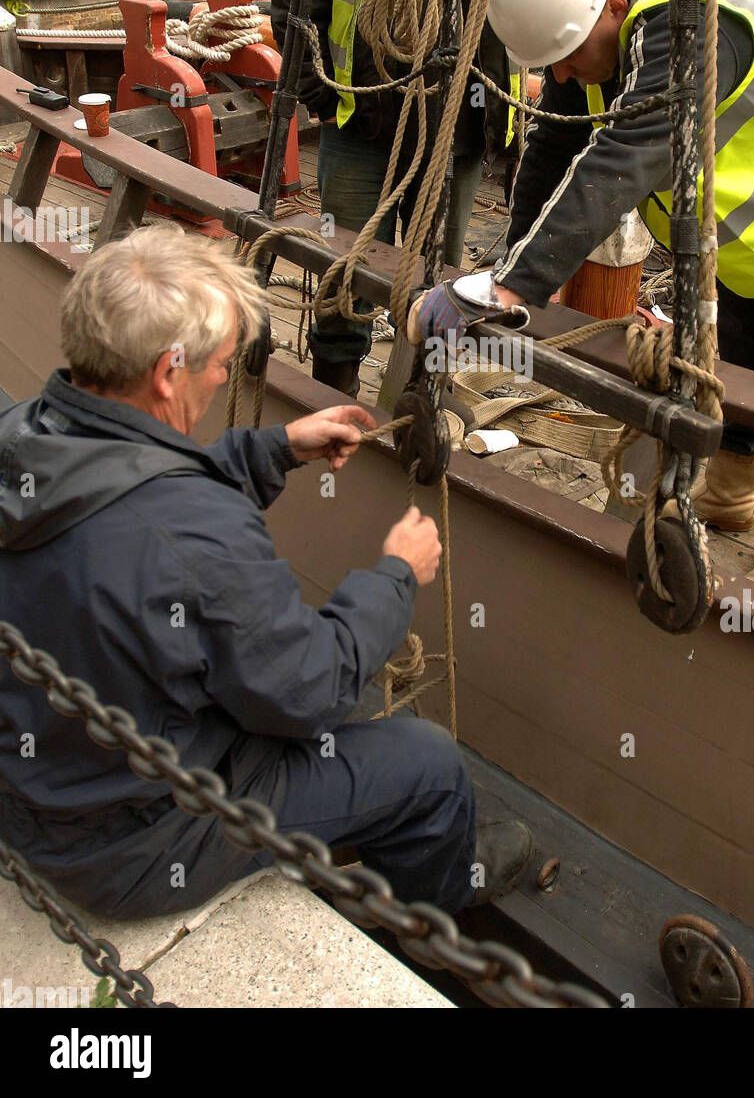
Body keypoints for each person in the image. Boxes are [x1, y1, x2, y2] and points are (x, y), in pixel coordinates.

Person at [0, 224, 531, 919]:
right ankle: (448, 893)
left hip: (35, 790)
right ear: (167, 373)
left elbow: (117, 487)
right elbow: (309, 691)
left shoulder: (22, 435)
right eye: (221, 362)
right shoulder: (200, 533)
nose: (224, 376)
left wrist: (272, 450)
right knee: (425, 765)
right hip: (134, 844)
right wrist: (397, 576)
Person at [409, 0, 754, 599]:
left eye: (571, 57)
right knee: (748, 354)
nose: (563, 73)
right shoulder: (597, 11)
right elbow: (556, 145)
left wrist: (517, 287)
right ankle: (731, 492)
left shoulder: (686, 29)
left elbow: (623, 159)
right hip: (750, 225)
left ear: (613, 6)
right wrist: (505, 276)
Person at [271, 0, 538, 399]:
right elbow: (292, 5)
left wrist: (503, 120)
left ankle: (414, 409)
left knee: (439, 288)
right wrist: (328, 99)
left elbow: (520, 18)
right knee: (345, 277)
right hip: (361, 129)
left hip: (457, 133)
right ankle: (331, 402)